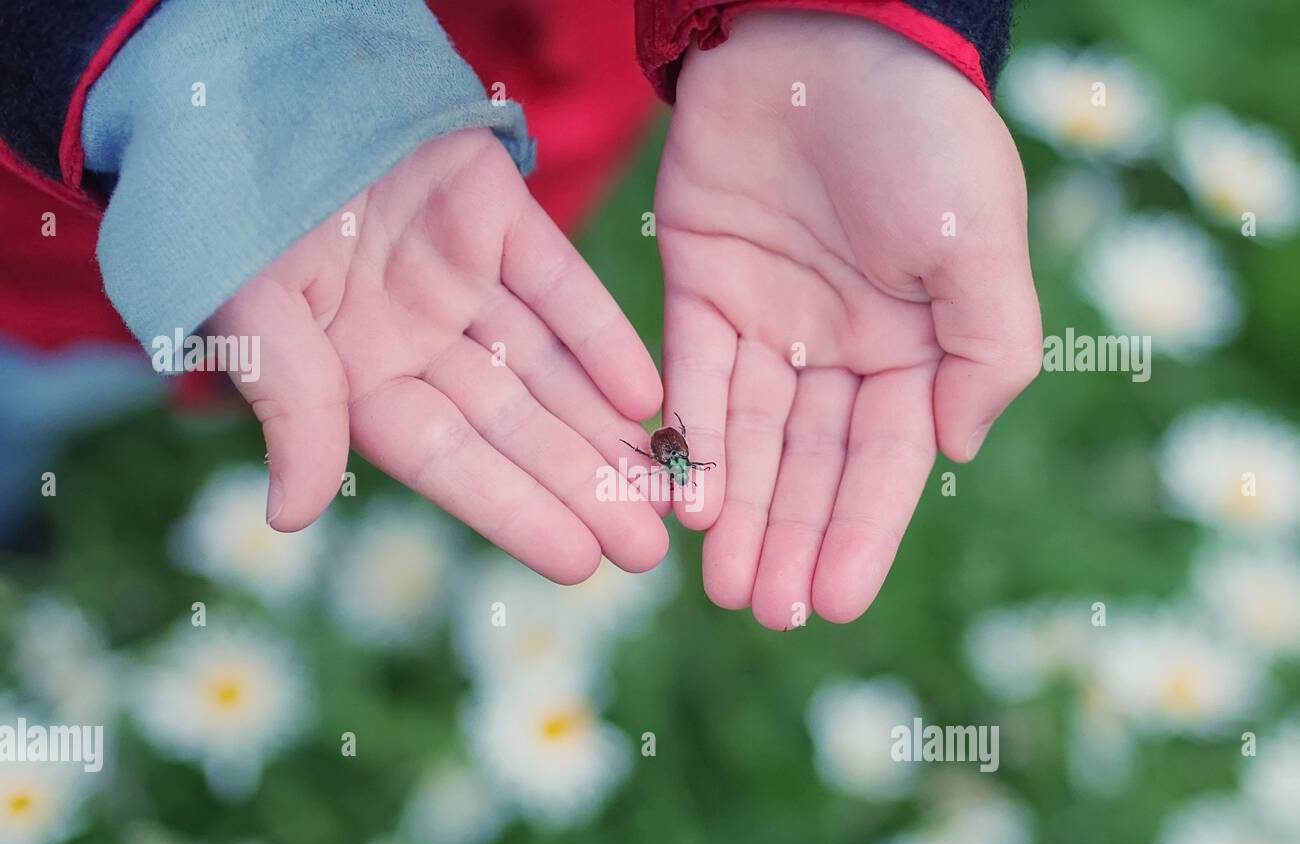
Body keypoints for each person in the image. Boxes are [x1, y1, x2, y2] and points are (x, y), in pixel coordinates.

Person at [0, 0, 1039, 629]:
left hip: (491, 142)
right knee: (40, 371)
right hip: (65, 197)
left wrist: (850, 19)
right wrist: (210, 50)